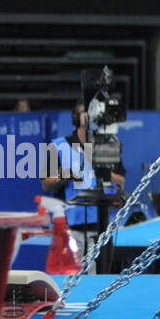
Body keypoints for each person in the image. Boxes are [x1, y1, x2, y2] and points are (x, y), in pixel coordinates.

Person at [41, 100, 124, 268]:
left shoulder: (107, 146)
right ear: (76, 118)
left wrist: (101, 168)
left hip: (100, 222)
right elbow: (46, 183)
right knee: (72, 274)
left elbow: (121, 180)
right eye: (85, 112)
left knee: (98, 274)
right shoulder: (57, 146)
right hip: (70, 223)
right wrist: (69, 173)